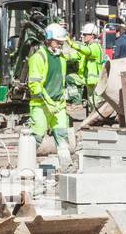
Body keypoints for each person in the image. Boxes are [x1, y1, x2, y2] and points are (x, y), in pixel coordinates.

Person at [26, 23, 73, 168]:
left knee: (62, 137)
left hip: (58, 104)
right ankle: (26, 167)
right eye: (58, 42)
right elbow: (34, 84)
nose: (60, 45)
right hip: (41, 105)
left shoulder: (60, 58)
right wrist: (47, 101)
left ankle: (66, 166)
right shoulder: (38, 57)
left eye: (61, 42)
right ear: (48, 39)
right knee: (36, 138)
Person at [68, 22, 106, 112]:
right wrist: (60, 55)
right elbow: (75, 55)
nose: (83, 36)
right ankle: (91, 116)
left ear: (92, 36)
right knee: (70, 78)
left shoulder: (95, 47)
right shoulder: (87, 46)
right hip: (88, 80)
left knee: (96, 102)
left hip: (96, 81)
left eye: (85, 34)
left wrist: (72, 44)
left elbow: (87, 51)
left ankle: (78, 104)